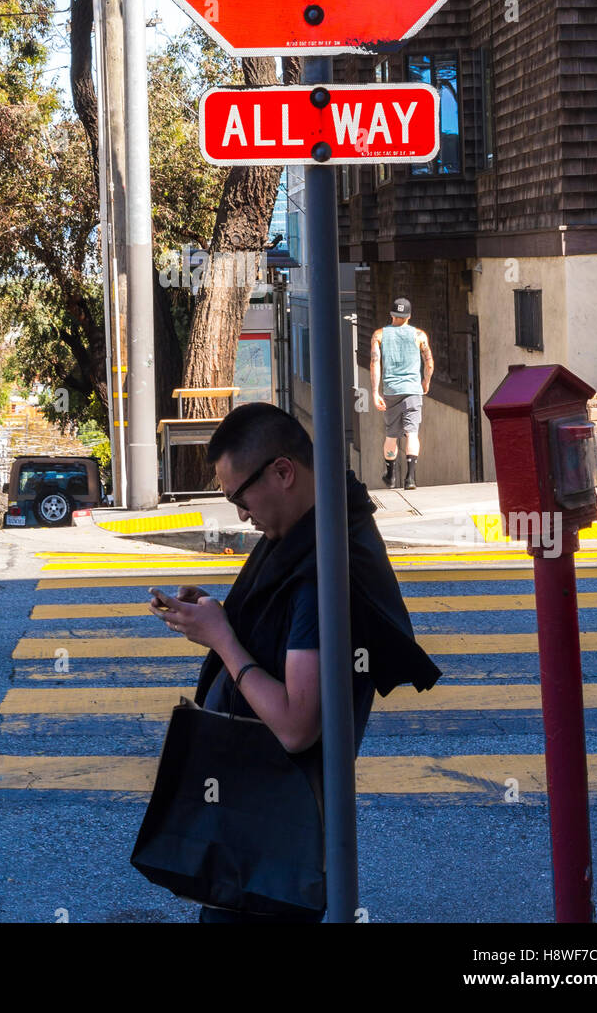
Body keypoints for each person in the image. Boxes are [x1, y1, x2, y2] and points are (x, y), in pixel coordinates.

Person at [148, 402, 441, 924]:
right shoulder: (311, 533)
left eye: (240, 496)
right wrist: (216, 620)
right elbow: (275, 628)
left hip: (273, 829)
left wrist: (223, 641)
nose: (240, 513)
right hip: (262, 817)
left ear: (283, 472)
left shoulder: (322, 570)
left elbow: (295, 725)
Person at [370, 297, 434, 490]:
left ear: (391, 314)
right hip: (413, 390)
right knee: (412, 433)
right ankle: (411, 478)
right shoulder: (420, 335)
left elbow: (375, 363)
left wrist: (374, 392)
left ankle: (390, 476)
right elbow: (429, 362)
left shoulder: (379, 335)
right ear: (409, 316)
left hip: (391, 391)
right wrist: (426, 381)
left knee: (391, 435)